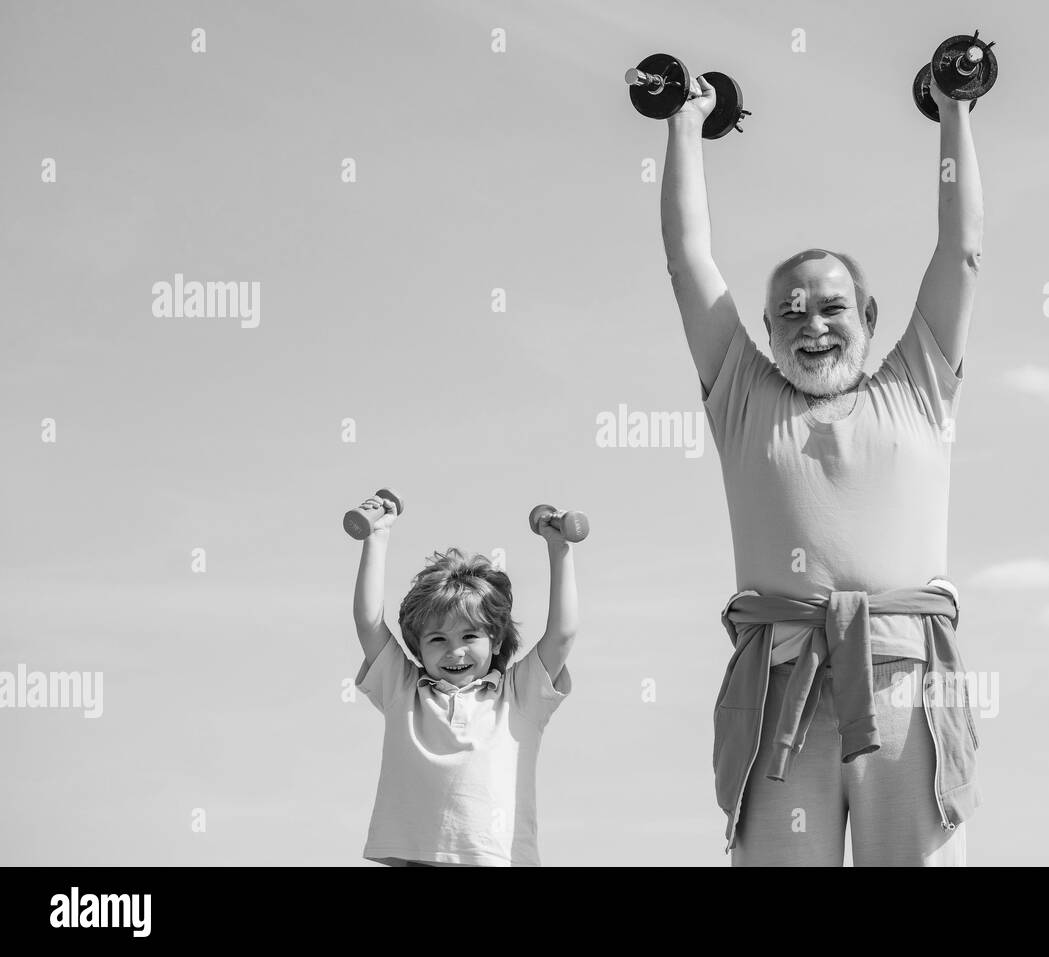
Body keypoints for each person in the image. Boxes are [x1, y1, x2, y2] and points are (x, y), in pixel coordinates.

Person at [658, 75, 983, 866]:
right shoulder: (742, 396)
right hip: (780, 695)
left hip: (906, 682)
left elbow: (961, 250)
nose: (813, 323)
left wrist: (954, 110)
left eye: (832, 306)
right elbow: (687, 257)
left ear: (868, 319)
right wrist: (685, 124)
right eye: (791, 310)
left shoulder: (919, 385)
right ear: (765, 330)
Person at [350, 495, 578, 866]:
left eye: (470, 637)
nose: (455, 652)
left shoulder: (518, 696)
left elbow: (562, 634)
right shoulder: (404, 691)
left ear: (497, 640)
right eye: (438, 639)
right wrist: (376, 537)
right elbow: (369, 623)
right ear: (417, 648)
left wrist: (559, 547)